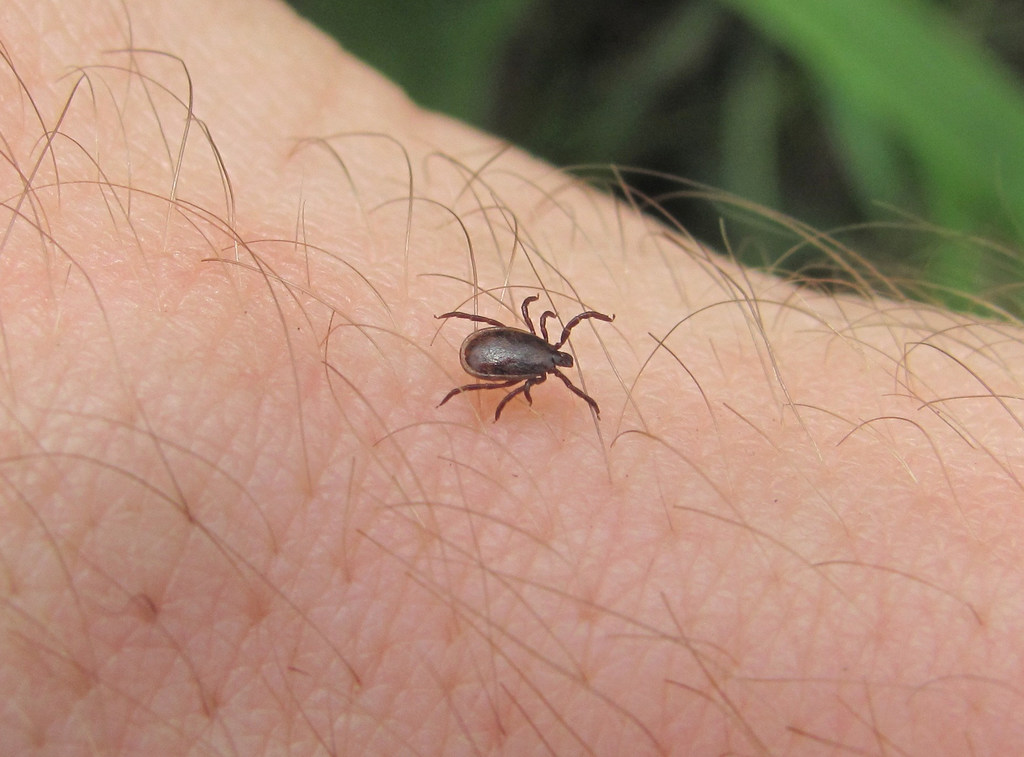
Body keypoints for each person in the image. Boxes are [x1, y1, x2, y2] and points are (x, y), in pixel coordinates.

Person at [3, 1, 1021, 754]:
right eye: (559, 353)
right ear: (546, 355)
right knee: (480, 373)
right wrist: (481, 382)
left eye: (556, 358)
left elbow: (504, 340)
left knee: (483, 365)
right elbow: (506, 352)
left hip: (480, 340)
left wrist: (495, 368)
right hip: (479, 347)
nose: (558, 358)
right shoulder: (533, 372)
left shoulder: (527, 359)